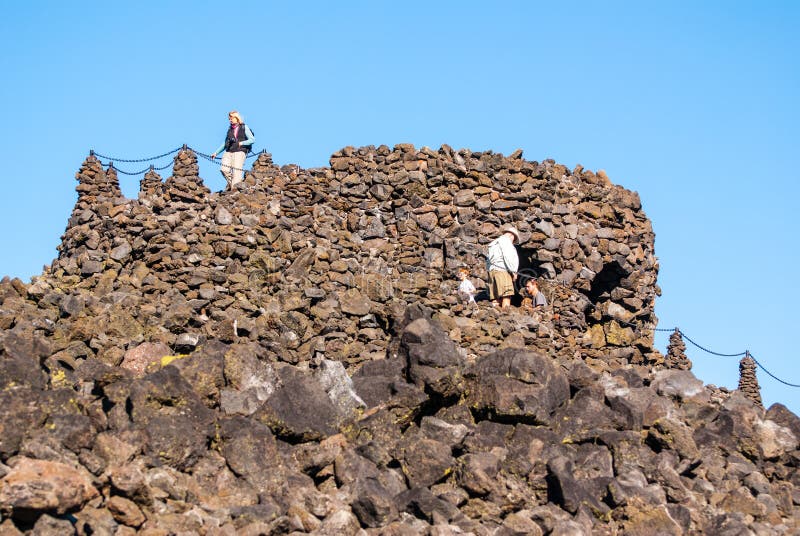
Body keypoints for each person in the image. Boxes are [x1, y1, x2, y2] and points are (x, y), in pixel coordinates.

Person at [211, 110, 255, 190]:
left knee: (237, 172)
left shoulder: (244, 127)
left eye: (231, 118)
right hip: (228, 151)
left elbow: (252, 139)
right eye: (229, 118)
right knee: (224, 169)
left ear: (236, 118)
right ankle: (234, 186)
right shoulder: (229, 129)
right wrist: (216, 153)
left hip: (240, 151)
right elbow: (225, 143)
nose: (230, 120)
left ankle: (235, 190)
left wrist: (241, 143)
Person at [485, 226, 520, 309]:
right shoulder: (506, 241)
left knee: (495, 297)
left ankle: (494, 316)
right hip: (502, 271)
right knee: (507, 295)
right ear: (512, 235)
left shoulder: (494, 243)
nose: (513, 241)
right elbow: (508, 257)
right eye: (514, 239)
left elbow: (488, 260)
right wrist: (514, 271)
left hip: (492, 271)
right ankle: (506, 316)